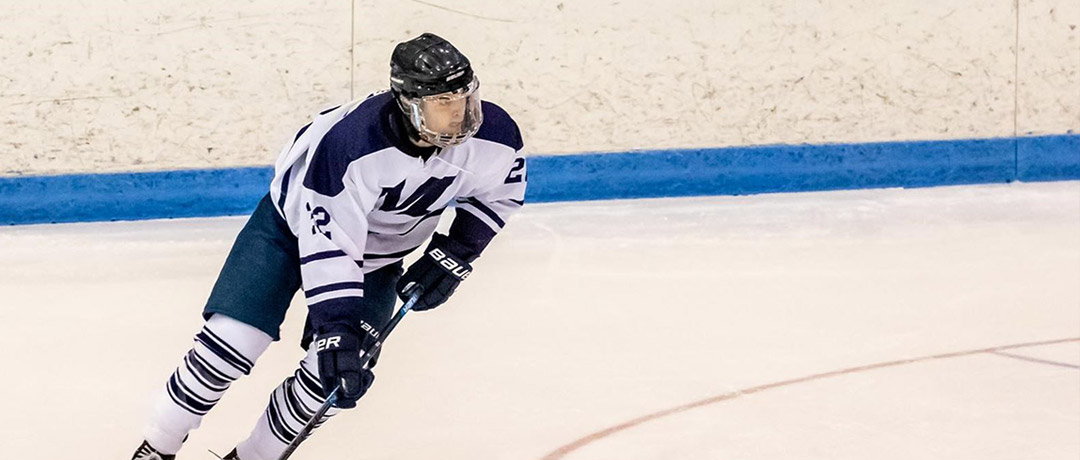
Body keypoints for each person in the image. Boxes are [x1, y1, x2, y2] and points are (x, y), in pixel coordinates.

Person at [130, 32, 527, 460]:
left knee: (330, 379)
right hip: (288, 232)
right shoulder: (350, 145)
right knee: (230, 344)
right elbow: (331, 249)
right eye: (442, 104)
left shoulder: (496, 135)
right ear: (409, 103)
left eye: (464, 99)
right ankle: (157, 448)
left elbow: (502, 191)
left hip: (380, 259)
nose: (459, 116)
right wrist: (336, 328)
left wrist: (456, 253)